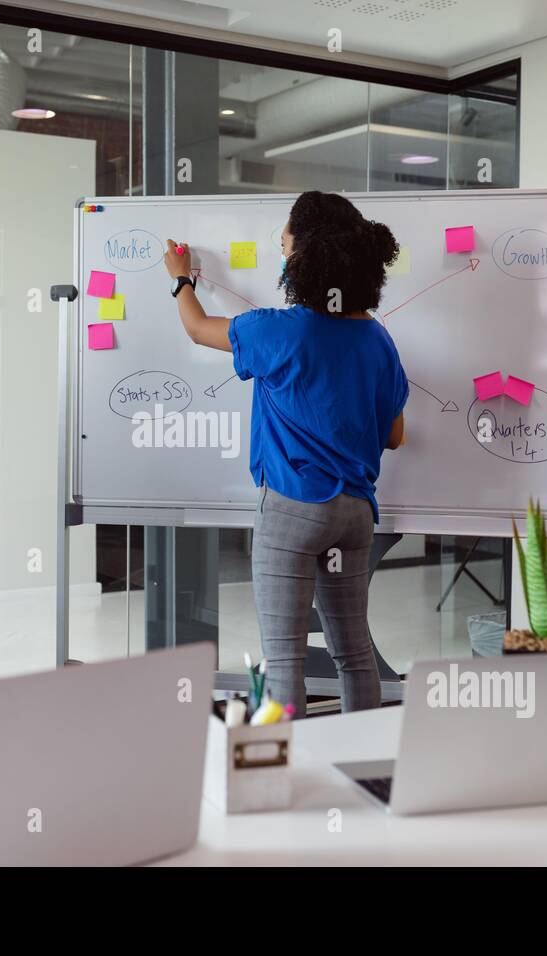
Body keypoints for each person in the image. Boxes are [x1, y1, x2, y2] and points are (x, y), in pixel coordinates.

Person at [163, 190, 408, 718]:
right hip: (356, 513)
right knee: (354, 654)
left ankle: (290, 779)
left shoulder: (277, 329)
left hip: (294, 507)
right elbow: (394, 436)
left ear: (305, 256)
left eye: (284, 244)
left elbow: (197, 327)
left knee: (284, 661)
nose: (281, 253)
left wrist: (181, 277)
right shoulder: (378, 340)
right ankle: (359, 760)